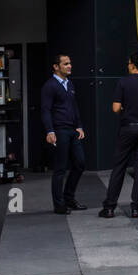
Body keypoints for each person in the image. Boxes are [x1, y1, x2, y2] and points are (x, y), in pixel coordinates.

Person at [99, 51, 138, 219]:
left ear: (133, 64)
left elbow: (116, 108)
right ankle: (136, 208)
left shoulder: (123, 82)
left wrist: (127, 109)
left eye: (128, 63)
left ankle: (110, 207)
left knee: (119, 167)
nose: (127, 66)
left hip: (128, 128)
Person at [40, 53, 86, 213]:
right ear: (56, 66)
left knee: (80, 163)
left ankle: (69, 198)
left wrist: (79, 126)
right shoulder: (50, 86)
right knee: (60, 169)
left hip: (73, 130)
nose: (70, 66)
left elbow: (75, 107)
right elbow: (45, 110)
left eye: (70, 63)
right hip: (59, 131)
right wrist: (50, 131)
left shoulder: (70, 84)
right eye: (66, 64)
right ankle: (59, 206)